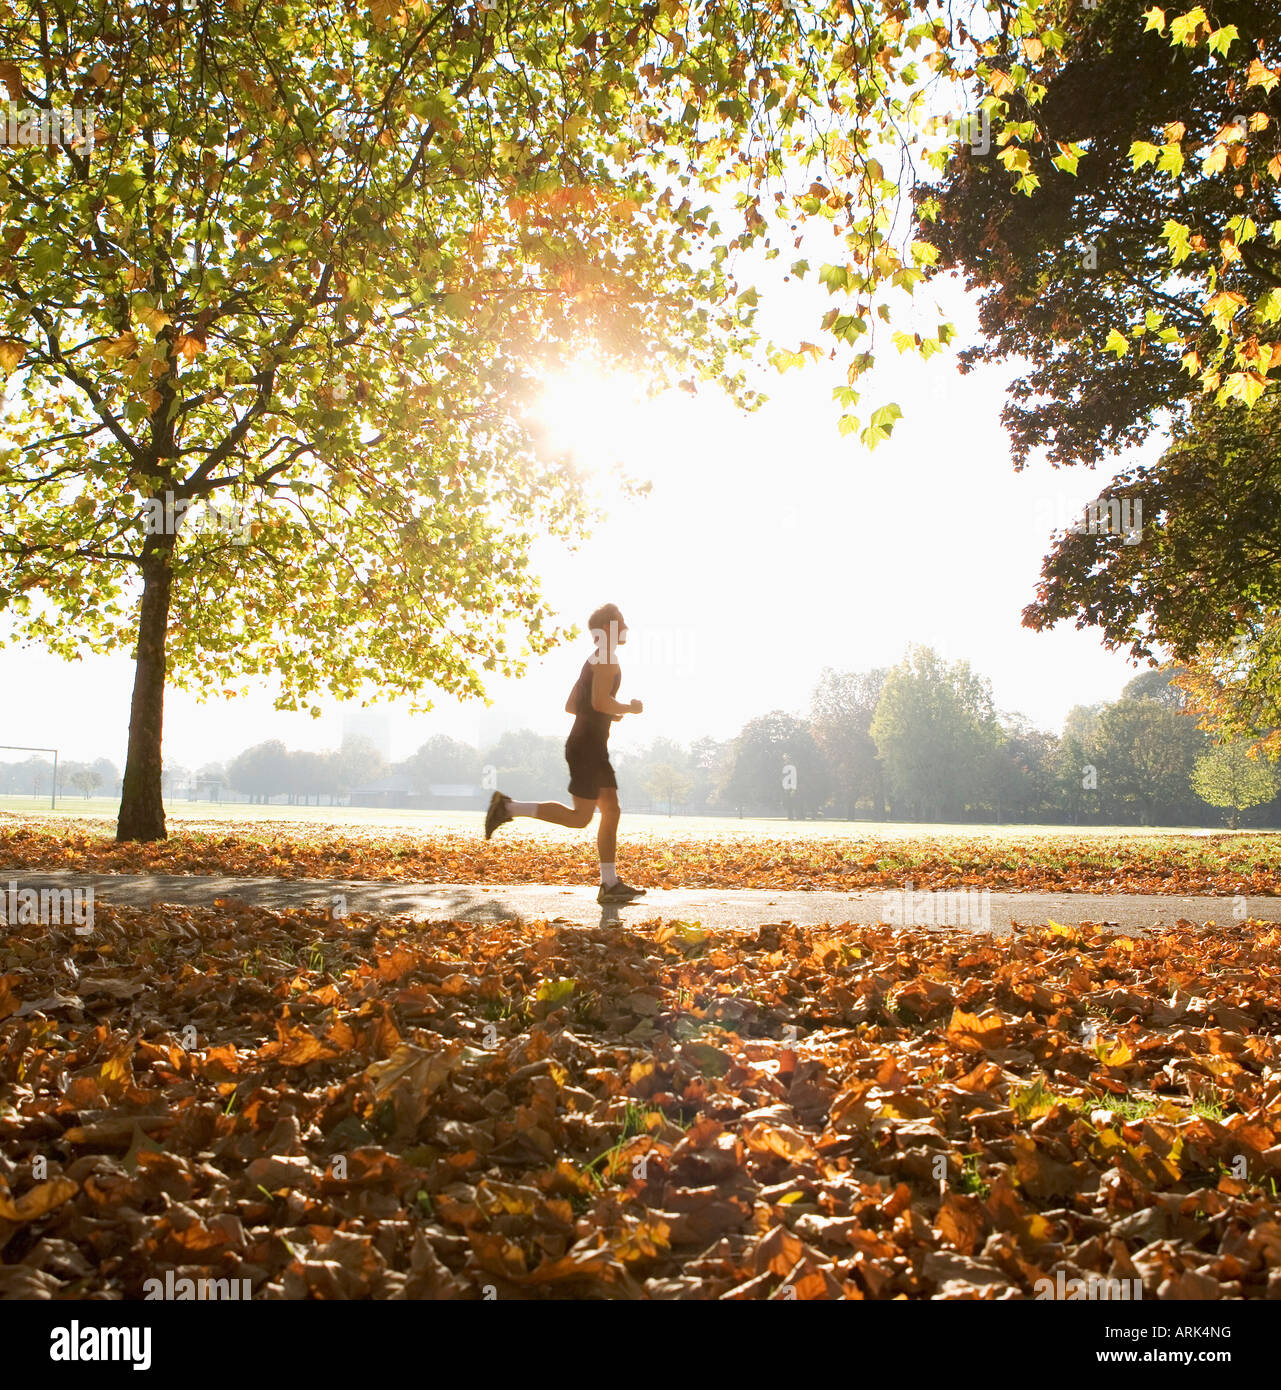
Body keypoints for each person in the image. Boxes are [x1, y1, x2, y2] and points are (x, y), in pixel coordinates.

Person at [485, 602, 647, 905]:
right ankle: (506, 808)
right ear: (609, 628)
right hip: (587, 747)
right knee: (580, 818)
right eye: (621, 621)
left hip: (587, 744)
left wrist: (609, 714)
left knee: (609, 810)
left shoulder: (594, 660)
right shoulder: (607, 659)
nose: (625, 626)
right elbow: (599, 702)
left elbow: (574, 706)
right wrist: (628, 708)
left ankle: (609, 883)